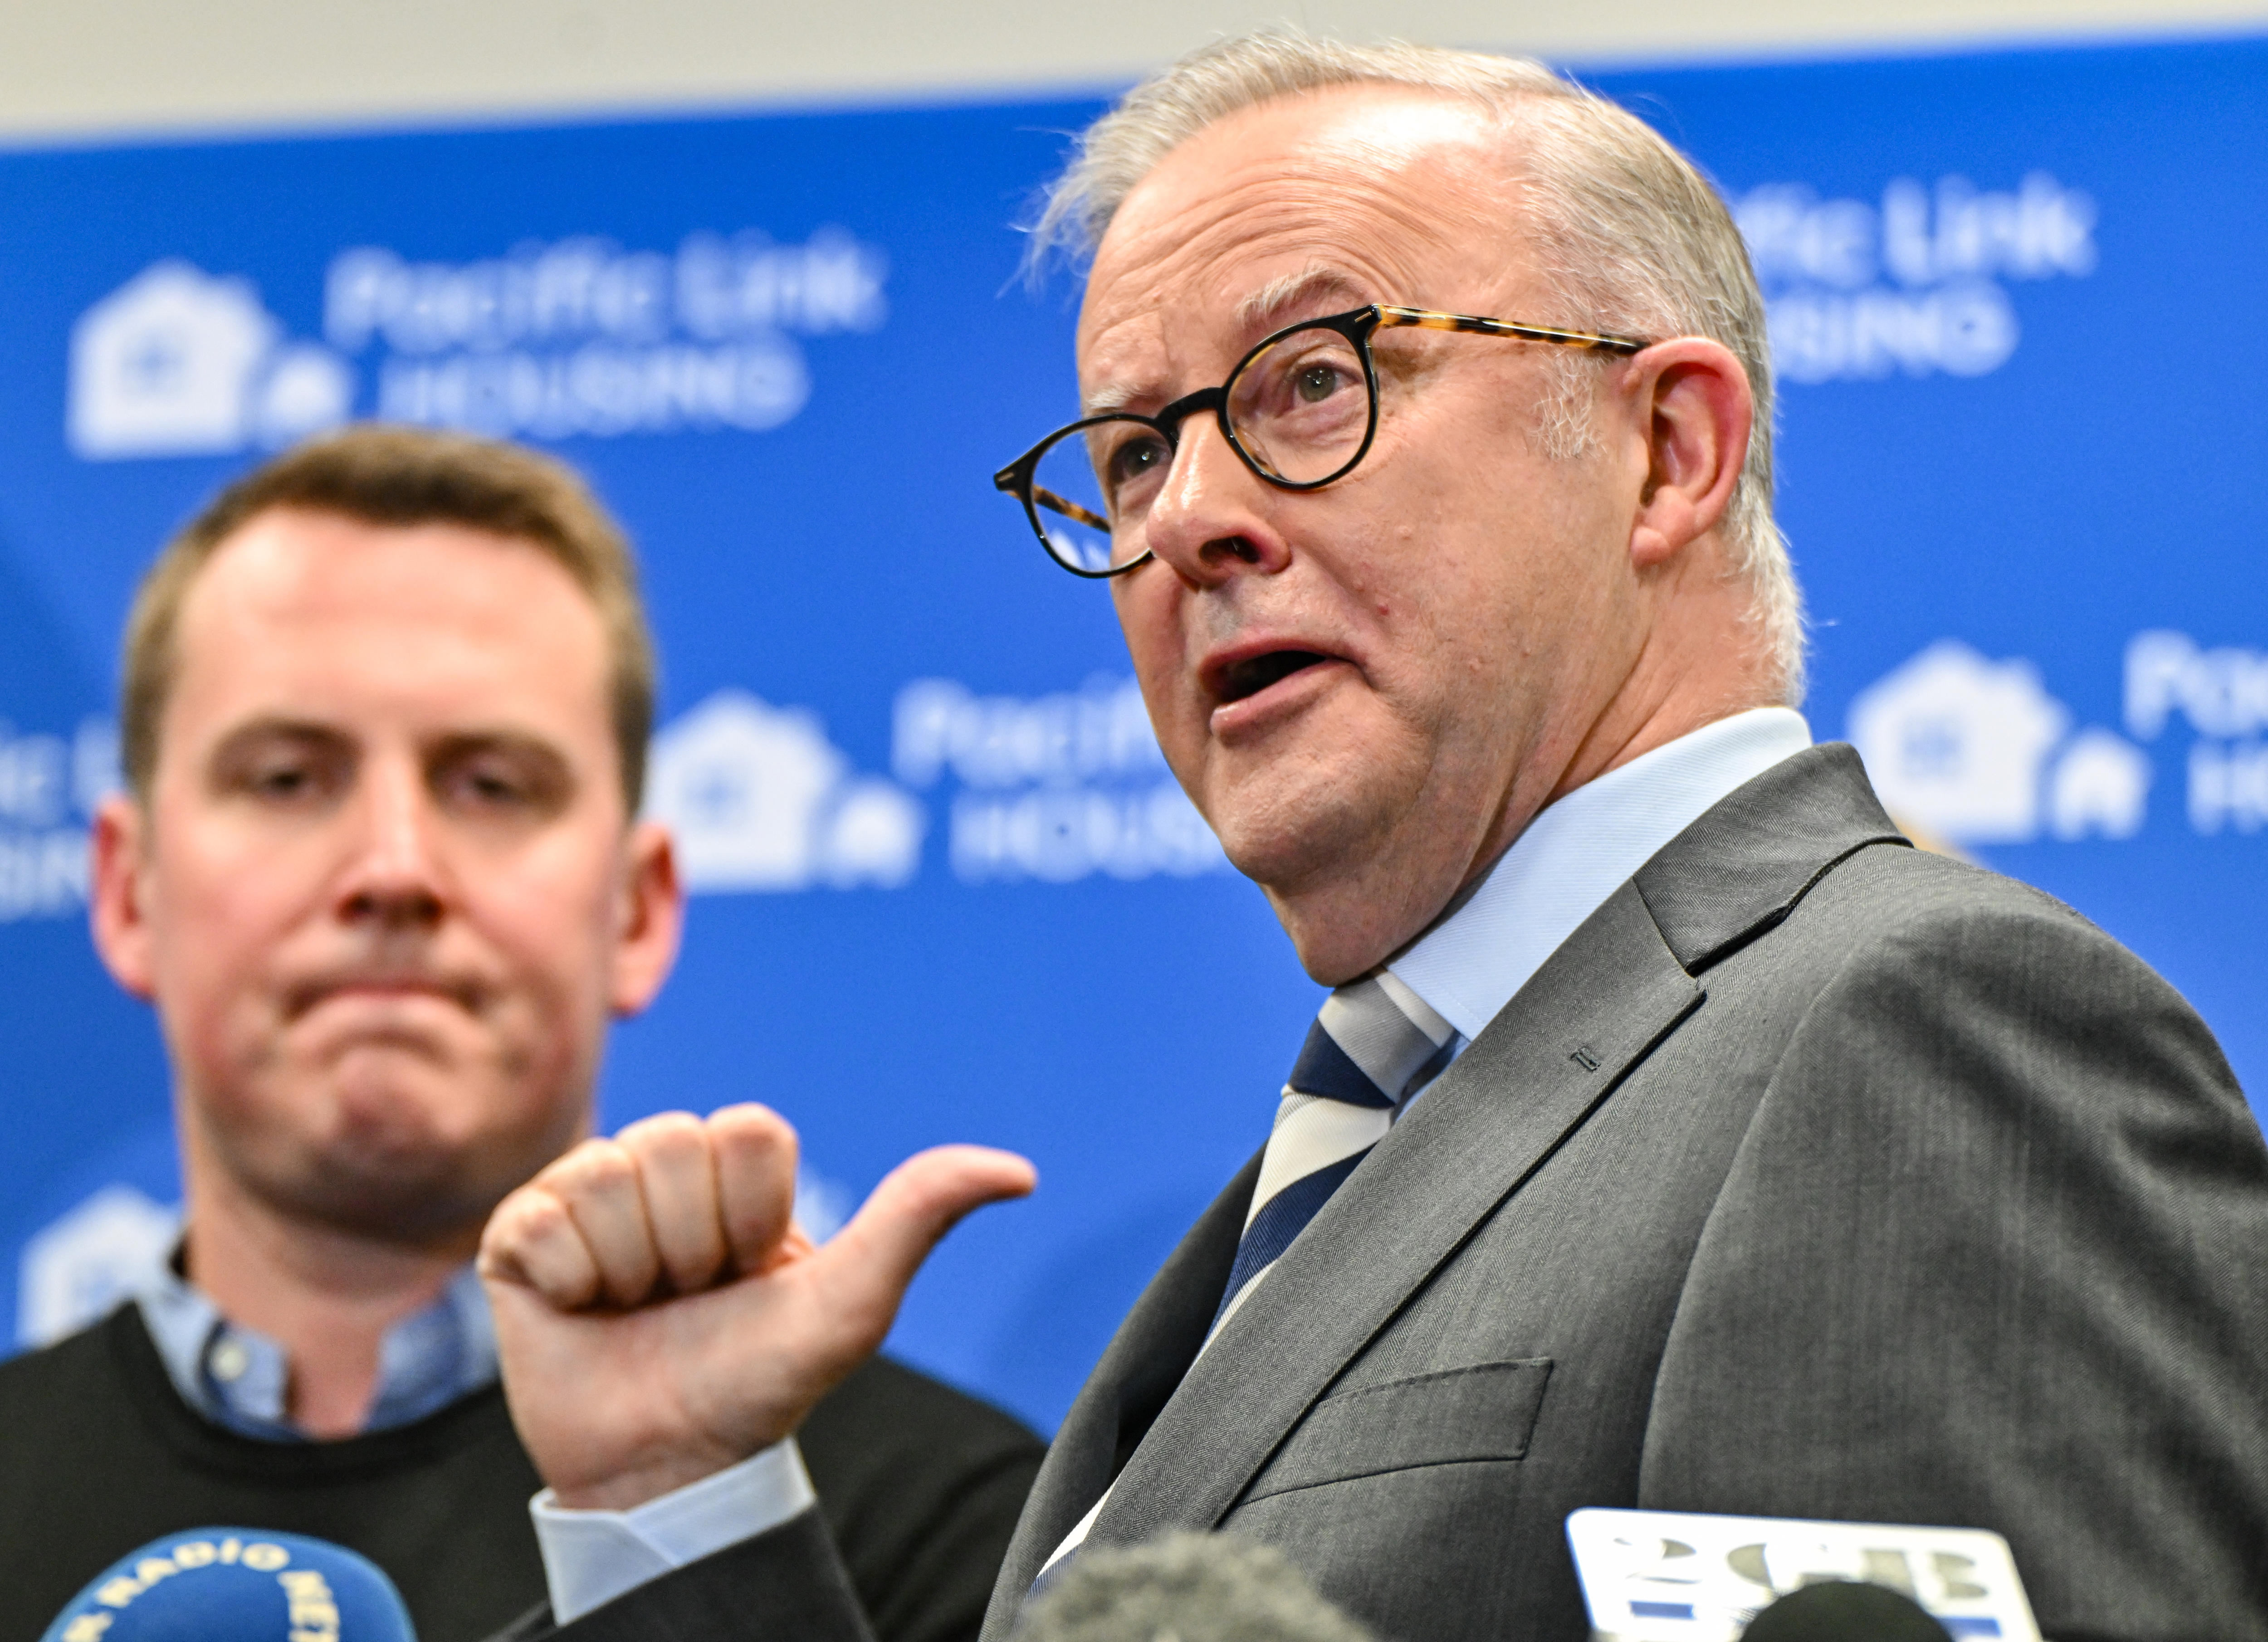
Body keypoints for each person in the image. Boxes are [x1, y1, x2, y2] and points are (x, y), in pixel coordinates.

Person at [472, 32, 2268, 1642]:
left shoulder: (1921, 1039)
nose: (1185, 520)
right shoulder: (1353, 1155)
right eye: (1127, 456)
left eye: (1310, 382)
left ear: (1664, 452)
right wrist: (679, 1504)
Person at [0, 426, 1043, 1642]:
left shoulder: (955, 1534)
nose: (392, 870)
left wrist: (686, 1520)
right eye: (288, 778)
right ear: (130, 895)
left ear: (638, 911)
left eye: (491, 784)